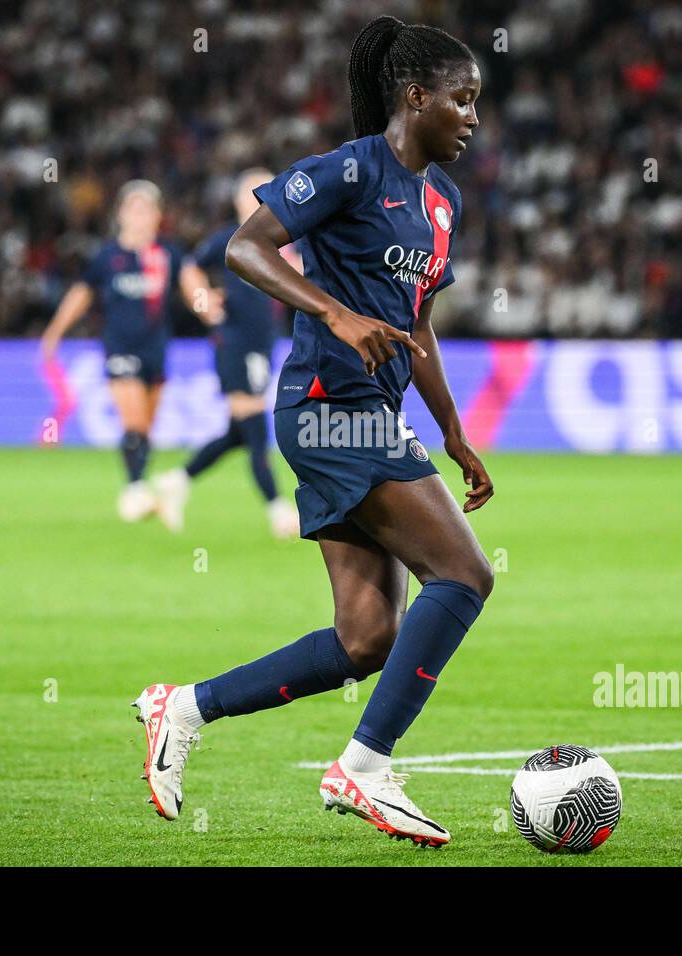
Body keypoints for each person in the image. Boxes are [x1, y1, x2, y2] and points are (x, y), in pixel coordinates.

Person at [132, 15, 491, 847]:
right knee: (466, 575)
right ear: (415, 97)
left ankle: (183, 708)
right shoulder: (349, 171)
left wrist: (455, 433)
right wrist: (333, 309)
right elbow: (243, 248)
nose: (472, 117)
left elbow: (420, 327)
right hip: (329, 407)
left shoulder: (445, 203)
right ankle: (365, 766)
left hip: (373, 413)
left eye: (477, 102)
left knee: (367, 639)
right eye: (461, 100)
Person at [40, 180, 217, 521]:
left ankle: (136, 486)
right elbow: (81, 295)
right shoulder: (107, 257)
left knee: (145, 429)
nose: (141, 216)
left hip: (156, 349)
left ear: (157, 216)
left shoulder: (168, 254)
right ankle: (134, 490)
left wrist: (210, 309)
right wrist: (55, 332)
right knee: (133, 420)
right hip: (119, 347)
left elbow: (193, 286)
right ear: (121, 214)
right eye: (135, 208)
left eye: (148, 209)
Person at [151, 169, 301, 538]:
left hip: (262, 342)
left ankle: (178, 479)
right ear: (239, 200)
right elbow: (190, 270)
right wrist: (205, 306)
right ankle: (277, 508)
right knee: (254, 427)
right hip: (235, 341)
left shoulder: (281, 238)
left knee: (239, 431)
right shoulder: (230, 238)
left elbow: (300, 275)